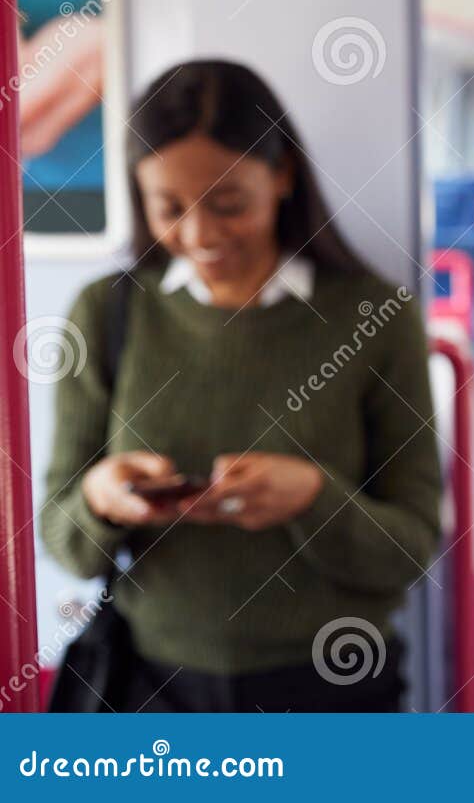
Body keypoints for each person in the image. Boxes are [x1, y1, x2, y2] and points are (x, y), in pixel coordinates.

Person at [41, 59, 442, 711]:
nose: (200, 234)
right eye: (169, 207)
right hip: (154, 686)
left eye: (229, 204)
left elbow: (411, 547)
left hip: (331, 683)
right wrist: (102, 497)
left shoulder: (375, 319)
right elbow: (64, 539)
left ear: (282, 175)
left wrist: (312, 497)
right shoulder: (107, 312)